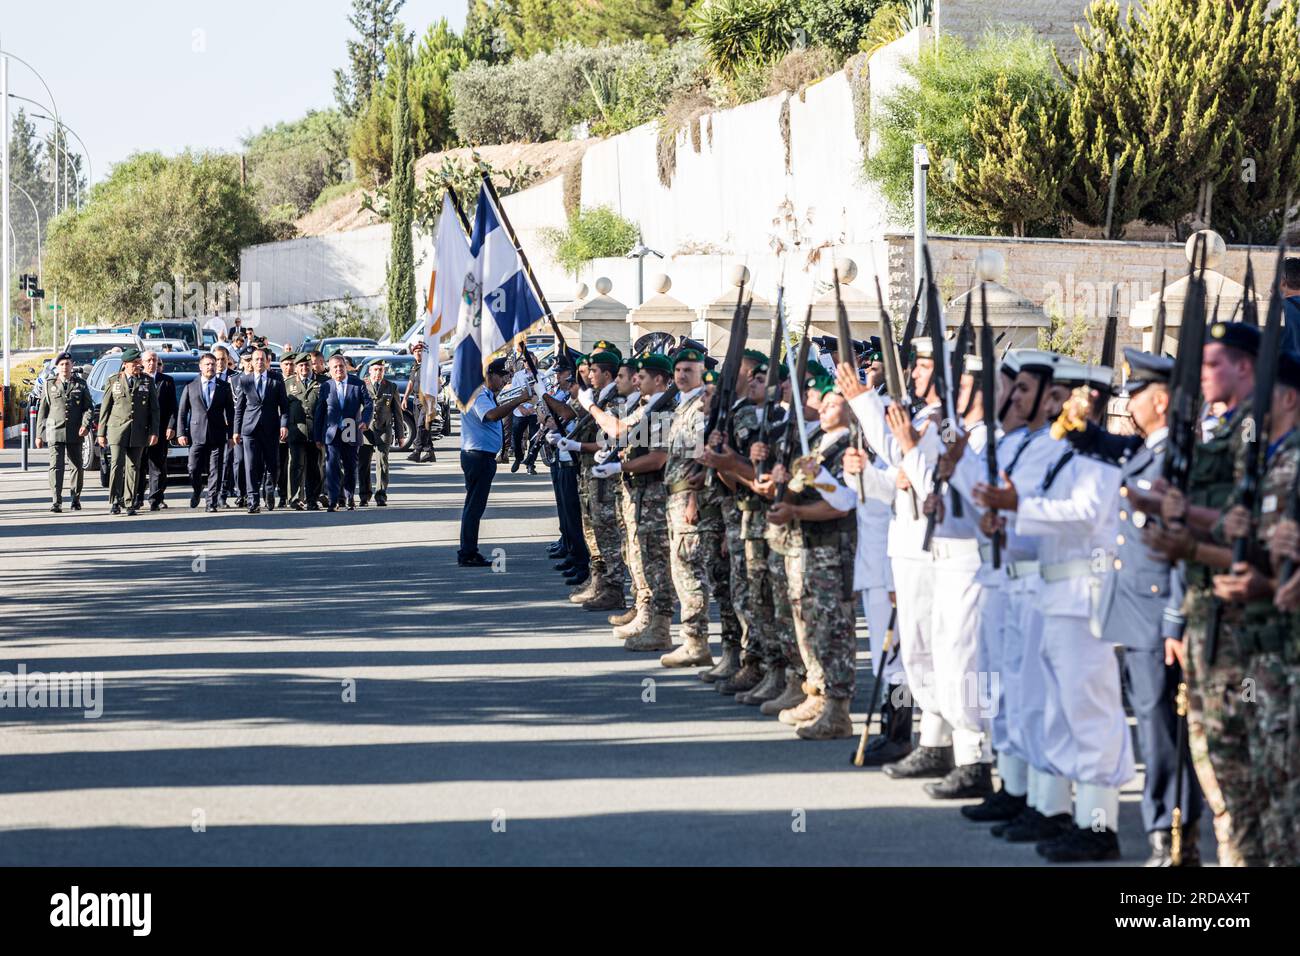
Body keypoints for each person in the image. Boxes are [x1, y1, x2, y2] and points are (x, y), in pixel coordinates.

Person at [457, 357, 530, 566]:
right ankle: (467, 552)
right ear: (489, 375)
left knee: (474, 506)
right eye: (502, 376)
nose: (504, 381)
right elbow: (490, 415)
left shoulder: (485, 393)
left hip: (481, 455)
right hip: (477, 456)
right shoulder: (479, 394)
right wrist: (518, 400)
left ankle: (469, 550)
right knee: (474, 507)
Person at [97, 348, 159, 516]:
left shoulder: (146, 381)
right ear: (125, 365)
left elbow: (154, 409)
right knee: (117, 465)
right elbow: (105, 408)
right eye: (134, 364)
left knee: (134, 466)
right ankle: (115, 501)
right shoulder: (114, 381)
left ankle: (130, 502)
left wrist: (154, 431)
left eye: (139, 364)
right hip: (117, 430)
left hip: (138, 431)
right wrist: (100, 433)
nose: (138, 367)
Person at [314, 353, 373, 512]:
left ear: (346, 367)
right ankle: (333, 501)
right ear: (330, 370)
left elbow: (368, 405)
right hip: (332, 433)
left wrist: (365, 421)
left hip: (351, 430)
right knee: (331, 467)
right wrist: (318, 436)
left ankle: (349, 498)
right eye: (335, 367)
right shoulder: (326, 386)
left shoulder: (357, 384)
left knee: (350, 467)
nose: (339, 369)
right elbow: (320, 412)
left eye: (341, 366)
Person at [233, 347, 289, 514]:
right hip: (249, 429)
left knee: (272, 464)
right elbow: (239, 408)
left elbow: (284, 406)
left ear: (267, 361)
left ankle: (269, 492)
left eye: (262, 359)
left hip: (271, 429)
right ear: (251, 362)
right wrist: (236, 430)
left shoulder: (277, 379)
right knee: (251, 465)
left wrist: (284, 424)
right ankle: (253, 500)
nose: (259, 362)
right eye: (255, 359)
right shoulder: (244, 380)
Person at [177, 351, 235, 512]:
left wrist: (231, 435)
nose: (210, 367)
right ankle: (197, 490)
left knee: (216, 469)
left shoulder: (223, 387)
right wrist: (181, 433)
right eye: (207, 364)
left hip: (217, 435)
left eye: (213, 364)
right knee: (193, 468)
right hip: (196, 435)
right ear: (201, 367)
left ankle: (211, 502)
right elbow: (182, 411)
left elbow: (230, 412)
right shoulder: (191, 386)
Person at [35, 351, 92, 512]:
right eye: (61, 364)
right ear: (57, 367)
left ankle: (75, 498)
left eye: (67, 364)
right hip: (54, 430)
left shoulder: (80, 384)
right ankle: (56, 500)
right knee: (55, 466)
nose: (65, 367)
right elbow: (43, 411)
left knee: (76, 466)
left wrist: (85, 425)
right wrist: (40, 434)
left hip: (75, 430)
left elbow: (88, 407)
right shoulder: (49, 384)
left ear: (72, 365)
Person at [135, 350, 177, 511]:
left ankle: (156, 498)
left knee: (158, 466)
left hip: (159, 430)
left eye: (155, 360)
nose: (152, 363)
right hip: (139, 431)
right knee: (139, 465)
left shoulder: (166, 381)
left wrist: (171, 426)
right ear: (142, 363)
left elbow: (173, 407)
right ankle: (137, 497)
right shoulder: (137, 380)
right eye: (149, 360)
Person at [359, 359, 400, 507]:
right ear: (369, 371)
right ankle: (364, 495)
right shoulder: (362, 384)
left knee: (382, 463)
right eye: (375, 369)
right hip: (365, 431)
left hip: (383, 430)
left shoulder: (391, 386)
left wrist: (400, 435)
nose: (378, 373)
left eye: (381, 370)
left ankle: (381, 495)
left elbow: (397, 413)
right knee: (363, 464)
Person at [286, 353, 323, 511]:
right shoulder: (288, 384)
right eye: (301, 365)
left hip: (316, 431)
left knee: (314, 467)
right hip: (296, 431)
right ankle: (295, 498)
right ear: (296, 367)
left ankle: (312, 499)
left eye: (307, 365)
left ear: (311, 365)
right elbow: (283, 409)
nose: (304, 368)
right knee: (296, 466)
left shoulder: (323, 382)